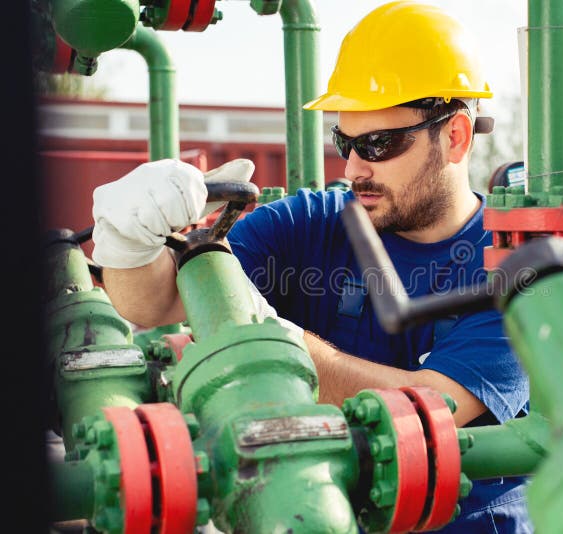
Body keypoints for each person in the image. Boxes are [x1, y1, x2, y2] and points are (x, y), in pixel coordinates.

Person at [91, 1, 532, 532]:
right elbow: (157, 302)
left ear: (455, 136)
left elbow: (432, 409)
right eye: (345, 142)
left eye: (379, 144)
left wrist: (275, 348)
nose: (354, 167)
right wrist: (130, 247)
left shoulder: (515, 266)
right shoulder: (313, 222)